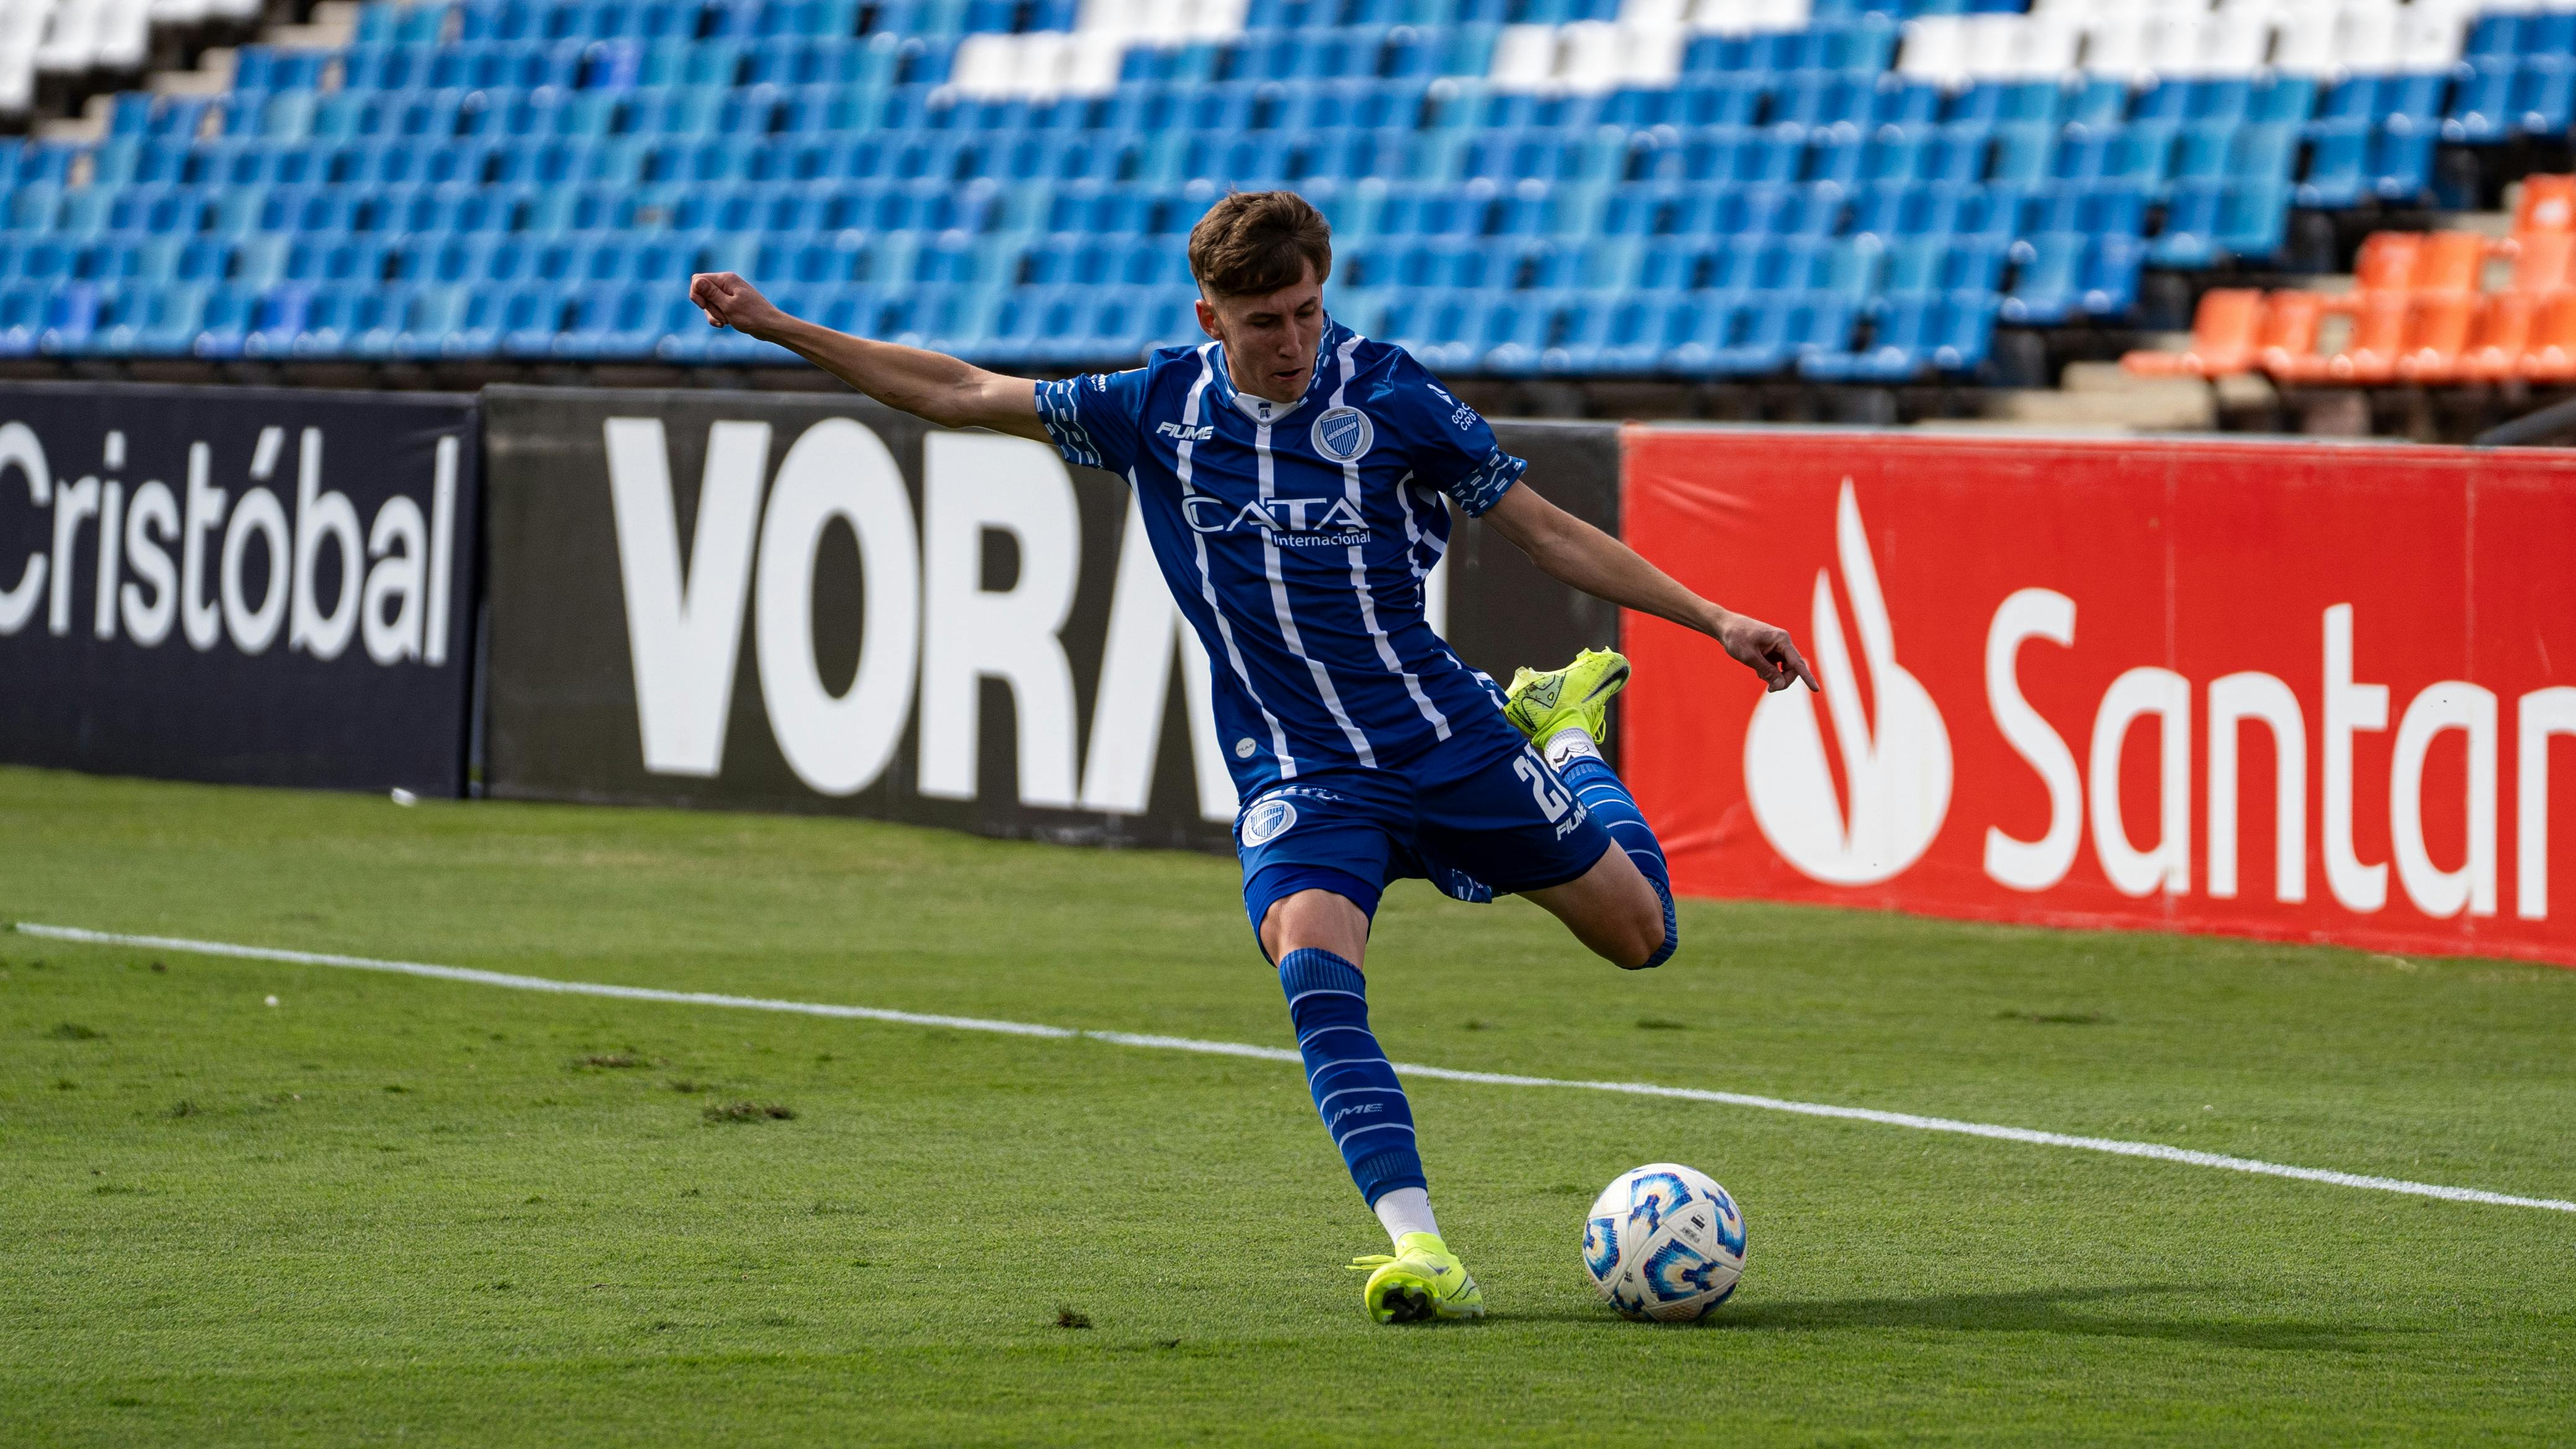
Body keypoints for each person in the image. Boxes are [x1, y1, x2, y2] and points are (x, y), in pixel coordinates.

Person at [688, 190, 1817, 1324]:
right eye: (1264, 320)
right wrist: (778, 324)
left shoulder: (1391, 394)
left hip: (1442, 736)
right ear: (1210, 317)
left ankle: (1561, 731)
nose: (1293, 341)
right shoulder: (1154, 408)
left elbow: (1548, 532)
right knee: (1313, 969)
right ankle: (1421, 1249)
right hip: (1298, 768)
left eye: (1307, 311)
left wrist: (1714, 618)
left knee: (1641, 937)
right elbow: (958, 390)